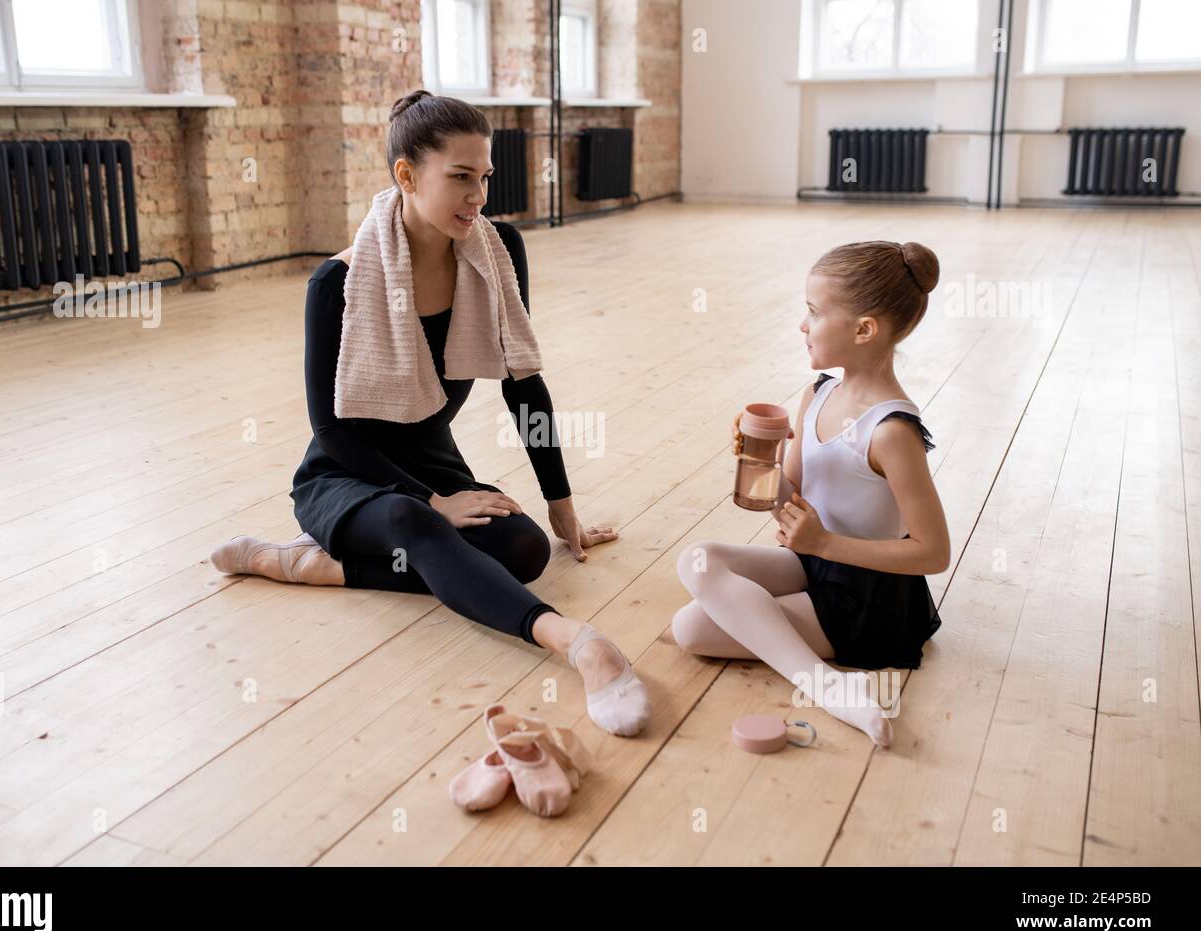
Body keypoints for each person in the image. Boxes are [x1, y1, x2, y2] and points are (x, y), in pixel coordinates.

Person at [210, 90, 650, 737]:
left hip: (431, 460)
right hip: (345, 473)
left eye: (485, 178)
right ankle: (579, 644)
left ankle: (314, 566)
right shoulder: (335, 283)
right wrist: (431, 501)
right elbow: (330, 430)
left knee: (524, 548)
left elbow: (523, 386)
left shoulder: (497, 253)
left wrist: (561, 509)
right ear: (407, 176)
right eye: (461, 178)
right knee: (411, 517)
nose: (478, 197)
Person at [672, 240, 950, 748]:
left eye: (814, 312)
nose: (803, 325)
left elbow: (933, 553)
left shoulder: (890, 431)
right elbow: (791, 498)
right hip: (813, 563)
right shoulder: (817, 394)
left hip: (868, 595)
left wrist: (824, 544)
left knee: (696, 627)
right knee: (694, 574)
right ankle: (817, 669)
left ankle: (827, 686)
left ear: (864, 330)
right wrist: (756, 462)